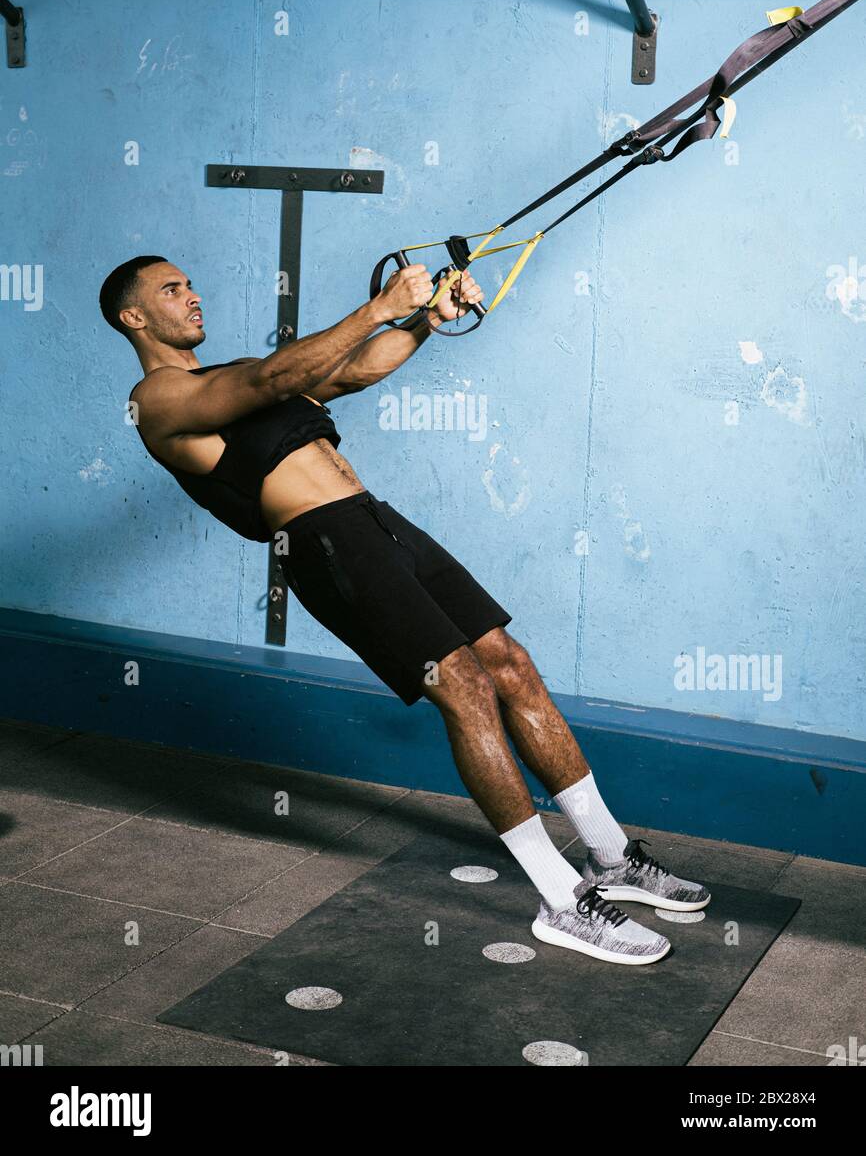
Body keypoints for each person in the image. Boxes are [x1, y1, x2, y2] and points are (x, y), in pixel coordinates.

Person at [99, 253, 710, 965]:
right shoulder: (160, 400)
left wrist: (425, 320)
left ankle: (611, 858)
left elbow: (348, 371)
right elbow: (278, 376)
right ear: (133, 317)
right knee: (467, 690)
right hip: (327, 546)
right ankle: (562, 901)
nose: (193, 295)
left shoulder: (222, 376)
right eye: (172, 290)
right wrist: (379, 305)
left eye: (191, 282)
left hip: (376, 523)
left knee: (510, 665)